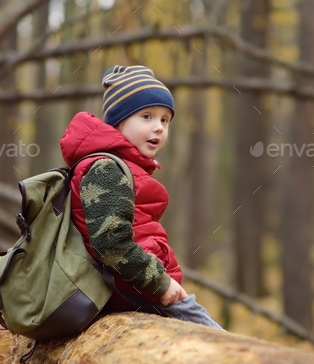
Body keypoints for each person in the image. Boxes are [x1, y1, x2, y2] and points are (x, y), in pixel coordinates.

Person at [60, 65, 223, 330]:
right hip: (137, 291)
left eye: (164, 120)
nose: (158, 127)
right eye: (146, 117)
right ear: (119, 122)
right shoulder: (106, 169)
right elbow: (110, 243)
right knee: (218, 343)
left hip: (135, 290)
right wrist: (160, 282)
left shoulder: (121, 168)